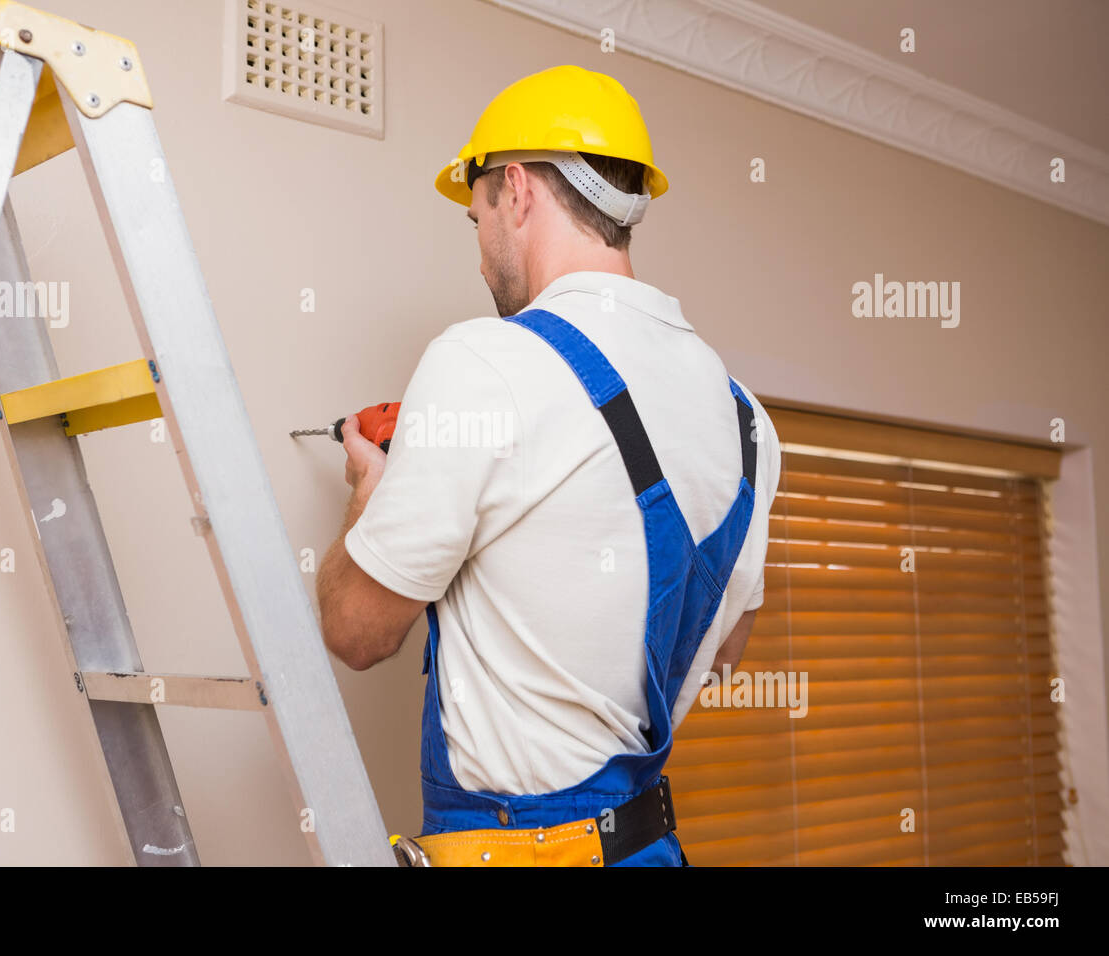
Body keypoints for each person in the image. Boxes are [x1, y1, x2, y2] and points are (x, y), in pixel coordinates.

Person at [316, 64, 781, 866]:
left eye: (475, 218)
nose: (479, 250)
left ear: (519, 191)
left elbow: (354, 630)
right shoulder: (747, 418)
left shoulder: (484, 359)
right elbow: (725, 647)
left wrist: (371, 487)